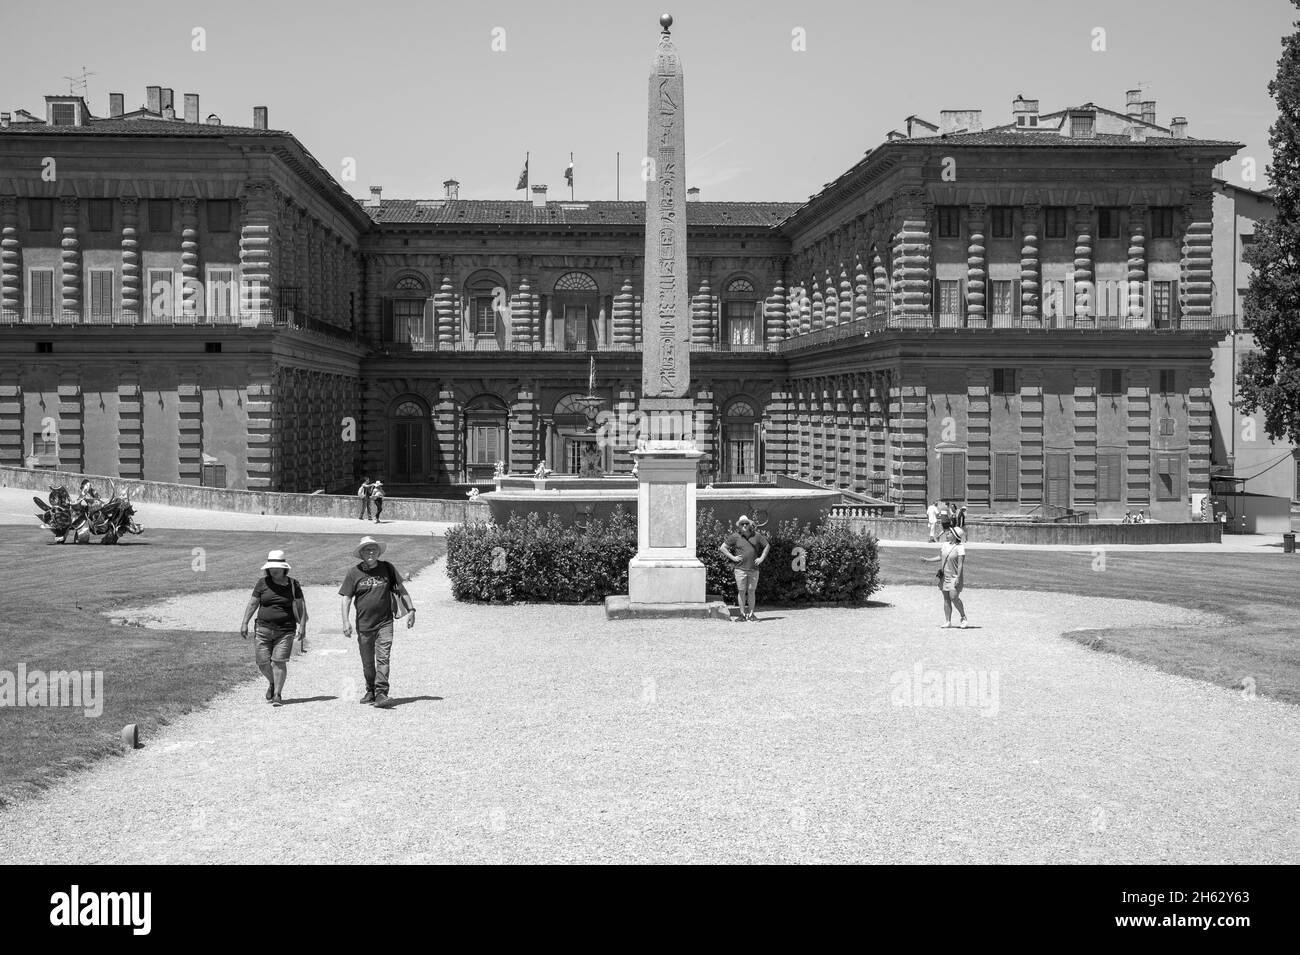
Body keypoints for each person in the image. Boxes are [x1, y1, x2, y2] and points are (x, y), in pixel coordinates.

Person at [339, 536, 415, 707]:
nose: (371, 552)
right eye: (367, 549)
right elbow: (346, 599)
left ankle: (381, 692)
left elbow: (402, 589)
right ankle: (370, 690)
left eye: (373, 549)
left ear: (378, 552)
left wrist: (411, 610)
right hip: (364, 625)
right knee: (367, 662)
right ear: (361, 553)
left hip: (385, 622)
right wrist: (345, 622)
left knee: (383, 658)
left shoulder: (387, 568)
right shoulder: (353, 573)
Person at [239, 550, 307, 706]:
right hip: (262, 628)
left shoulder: (293, 584)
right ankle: (273, 682)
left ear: (284, 568)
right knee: (262, 662)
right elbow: (253, 603)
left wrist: (302, 626)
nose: (273, 570)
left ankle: (277, 694)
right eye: (271, 567)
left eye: (277, 567)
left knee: (279, 662)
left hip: (285, 630)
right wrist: (244, 622)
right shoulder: (262, 583)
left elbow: (300, 605)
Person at [719, 515, 770, 622]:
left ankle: (751, 614)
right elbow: (722, 547)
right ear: (739, 525)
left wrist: (761, 558)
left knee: (751, 591)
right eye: (742, 524)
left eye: (746, 523)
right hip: (740, 569)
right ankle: (742, 615)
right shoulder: (735, 536)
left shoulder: (757, 536)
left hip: (753, 569)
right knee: (741, 591)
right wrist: (733, 557)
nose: (745, 525)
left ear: (750, 524)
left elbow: (767, 545)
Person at [921, 524, 969, 629]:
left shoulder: (960, 548)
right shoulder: (945, 545)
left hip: (954, 576)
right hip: (944, 576)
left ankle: (963, 617)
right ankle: (948, 621)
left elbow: (960, 564)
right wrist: (927, 560)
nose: (947, 533)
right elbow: (940, 557)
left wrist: (958, 577)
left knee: (954, 597)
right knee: (946, 599)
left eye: (950, 532)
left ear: (955, 535)